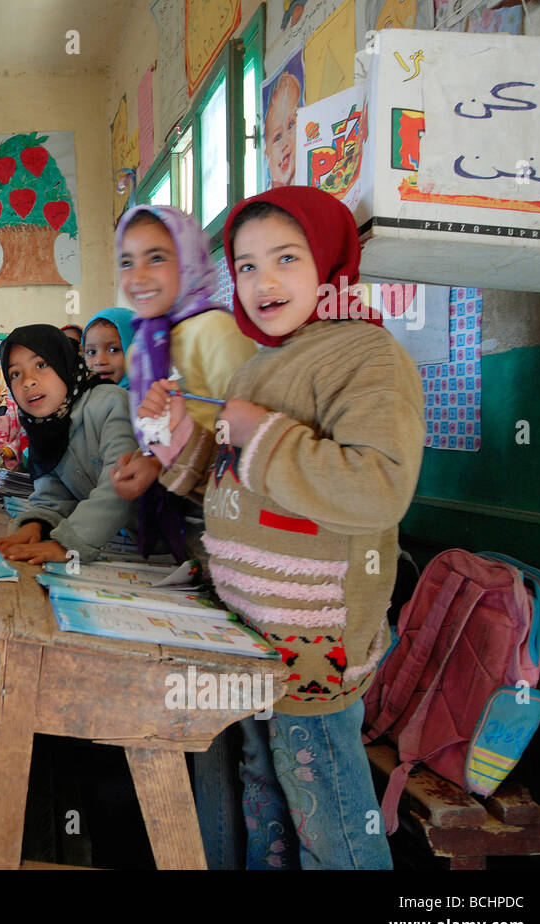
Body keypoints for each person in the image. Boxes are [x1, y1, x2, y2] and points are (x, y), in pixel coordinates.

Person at [142, 186, 424, 869]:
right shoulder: (259, 361)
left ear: (328, 261)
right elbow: (238, 484)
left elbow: (378, 486)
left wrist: (260, 433)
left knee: (328, 814)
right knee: (263, 795)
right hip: (254, 633)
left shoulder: (366, 356)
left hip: (316, 641)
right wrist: (181, 442)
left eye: (286, 258)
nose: (263, 282)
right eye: (244, 265)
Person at [108, 205, 258, 560]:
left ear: (188, 259)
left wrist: (160, 462)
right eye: (127, 262)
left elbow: (251, 440)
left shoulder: (216, 330)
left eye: (156, 258)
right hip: (177, 517)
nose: (138, 276)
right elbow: (157, 432)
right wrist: (146, 460)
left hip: (231, 521)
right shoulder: (144, 345)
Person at [0, 325, 138, 565]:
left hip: (169, 544)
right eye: (16, 374)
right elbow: (55, 495)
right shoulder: (45, 425)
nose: (28, 382)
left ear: (64, 362)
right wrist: (35, 525)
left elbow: (119, 482)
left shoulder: (110, 403)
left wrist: (69, 544)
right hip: (123, 545)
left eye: (41, 365)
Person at [265, 71, 302, 190]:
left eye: (291, 125)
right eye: (277, 137)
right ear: (267, 155)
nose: (285, 143)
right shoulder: (268, 204)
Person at [81, 308, 135, 386]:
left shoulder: (150, 395)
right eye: (91, 352)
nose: (100, 361)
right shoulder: (85, 395)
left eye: (113, 350)